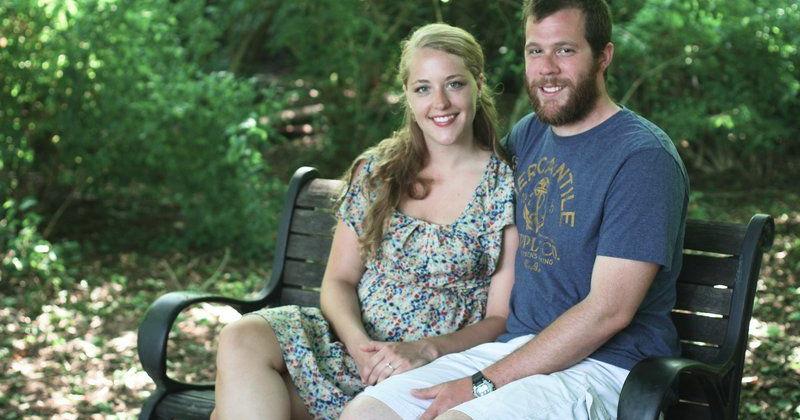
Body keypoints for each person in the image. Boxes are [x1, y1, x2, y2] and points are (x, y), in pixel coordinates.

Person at [341, 0, 690, 419]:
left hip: (606, 366)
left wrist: (483, 383)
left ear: (604, 56)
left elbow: (608, 312)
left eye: (565, 50)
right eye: (534, 51)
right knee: (366, 412)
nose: (546, 68)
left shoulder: (642, 159)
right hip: (514, 349)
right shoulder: (530, 133)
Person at [210, 23, 518, 420]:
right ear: (408, 94)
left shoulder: (505, 186)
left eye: (454, 84)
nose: (439, 102)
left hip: (429, 365)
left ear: (478, 83)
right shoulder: (380, 172)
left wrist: (426, 349)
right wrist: (358, 346)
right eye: (423, 87)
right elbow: (338, 281)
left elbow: (500, 318)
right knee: (241, 338)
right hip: (349, 348)